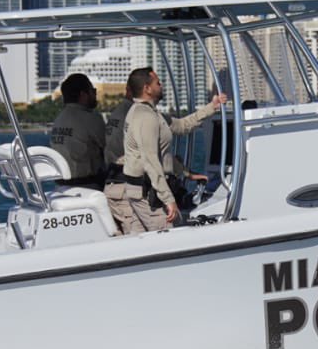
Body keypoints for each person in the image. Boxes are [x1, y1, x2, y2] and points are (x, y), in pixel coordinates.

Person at [105, 67, 228, 233]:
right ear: (147, 89)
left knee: (141, 244)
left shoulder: (150, 114)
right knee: (168, 237)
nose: (161, 85)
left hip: (139, 191)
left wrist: (212, 107)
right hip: (148, 194)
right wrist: (168, 199)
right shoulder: (145, 117)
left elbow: (182, 125)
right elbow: (151, 161)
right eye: (158, 82)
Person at [48, 74, 107, 188]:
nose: (95, 94)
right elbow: (109, 149)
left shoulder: (59, 119)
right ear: (83, 95)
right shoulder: (91, 118)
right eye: (93, 90)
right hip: (88, 187)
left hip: (60, 188)